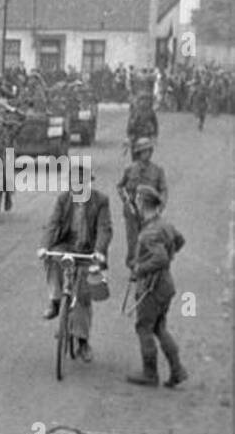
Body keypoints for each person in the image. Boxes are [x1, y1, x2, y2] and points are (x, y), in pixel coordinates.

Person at [41, 175, 112, 362]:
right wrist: (44, 247)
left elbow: (105, 229)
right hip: (66, 244)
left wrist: (99, 251)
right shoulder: (63, 199)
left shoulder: (101, 201)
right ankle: (56, 300)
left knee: (82, 294)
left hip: (88, 249)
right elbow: (52, 224)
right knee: (51, 259)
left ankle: (82, 342)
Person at [126, 186, 186, 388]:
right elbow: (180, 240)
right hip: (166, 285)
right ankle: (177, 370)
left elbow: (159, 258)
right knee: (160, 327)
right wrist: (170, 254)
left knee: (144, 327)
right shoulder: (165, 225)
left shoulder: (148, 233)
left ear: (143, 204)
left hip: (151, 288)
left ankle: (150, 374)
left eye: (137, 202)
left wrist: (140, 269)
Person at [115, 137, 168, 270]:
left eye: (149, 151)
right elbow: (120, 186)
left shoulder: (157, 170)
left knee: (148, 240)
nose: (147, 154)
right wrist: (126, 201)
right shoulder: (130, 169)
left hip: (149, 212)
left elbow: (163, 190)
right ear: (138, 153)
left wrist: (160, 207)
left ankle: (145, 265)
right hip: (132, 211)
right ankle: (133, 265)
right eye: (144, 151)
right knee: (133, 240)